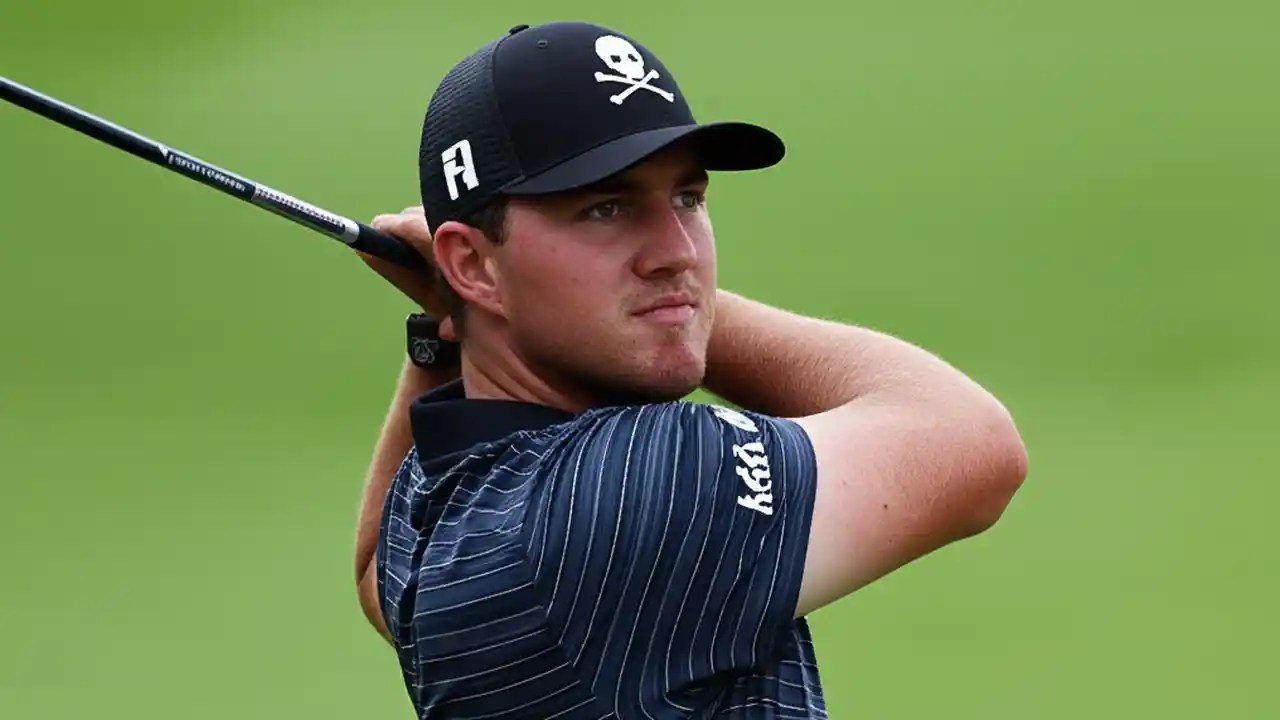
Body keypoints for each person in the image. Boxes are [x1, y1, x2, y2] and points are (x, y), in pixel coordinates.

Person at [351, 20, 1028, 719]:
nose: (678, 252)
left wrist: (452, 326)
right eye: (606, 208)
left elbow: (382, 579)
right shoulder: (631, 483)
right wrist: (683, 305)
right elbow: (972, 441)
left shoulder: (450, 500)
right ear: (469, 262)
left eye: (688, 199)